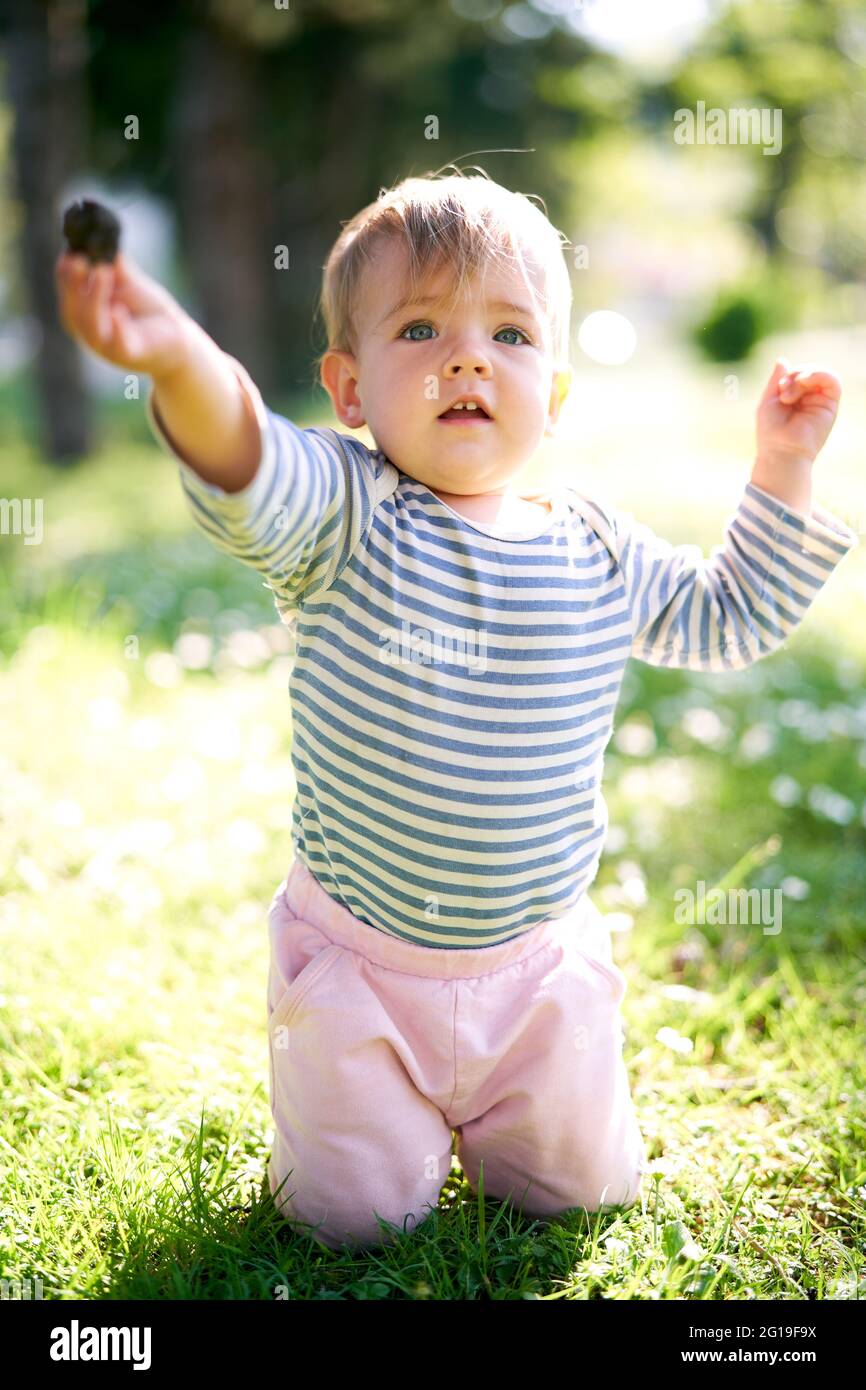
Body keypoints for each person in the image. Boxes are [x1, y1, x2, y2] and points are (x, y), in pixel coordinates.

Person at [55, 170, 858, 1252]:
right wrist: (176, 358)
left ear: (557, 394)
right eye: (420, 327)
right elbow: (245, 455)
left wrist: (779, 471)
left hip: (537, 976)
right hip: (362, 978)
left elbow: (728, 616)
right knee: (346, 1225)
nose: (466, 357)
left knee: (579, 1200)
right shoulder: (344, 516)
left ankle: (520, 1121)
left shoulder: (595, 546)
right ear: (347, 389)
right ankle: (375, 1136)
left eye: (510, 334)